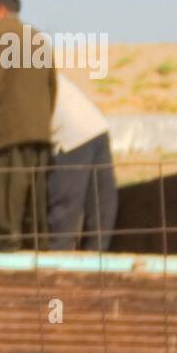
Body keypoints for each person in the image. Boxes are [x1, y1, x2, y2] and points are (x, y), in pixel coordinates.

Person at [0, 0, 56, 251]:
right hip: (38, 128)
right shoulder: (39, 38)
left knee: (6, 190)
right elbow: (51, 85)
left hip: (6, 128)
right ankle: (39, 241)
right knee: (35, 189)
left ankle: (9, 245)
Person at [47, 74, 117, 251]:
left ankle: (59, 258)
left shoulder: (24, 72)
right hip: (96, 126)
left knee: (66, 204)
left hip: (71, 135)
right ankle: (96, 256)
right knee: (101, 203)